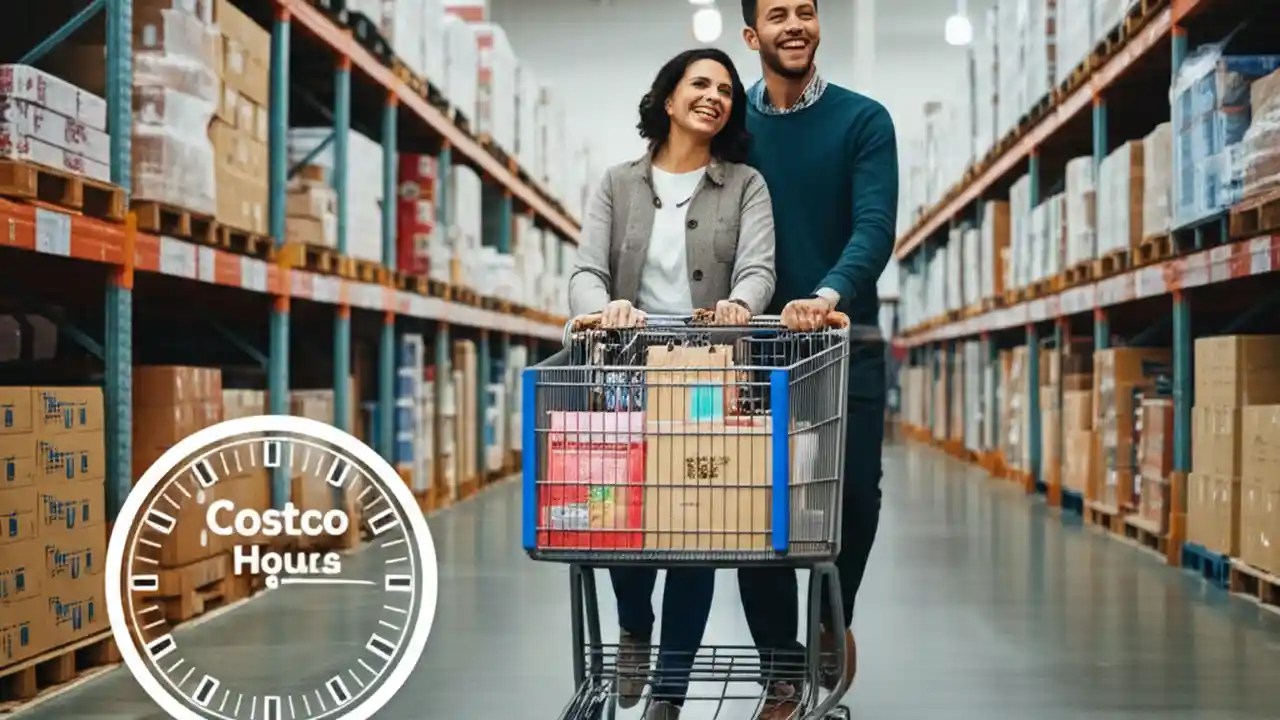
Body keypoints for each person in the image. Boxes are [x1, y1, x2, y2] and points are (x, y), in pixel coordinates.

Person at [567, 47, 777, 720]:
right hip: (626, 373)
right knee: (620, 519)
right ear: (668, 98)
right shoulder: (617, 183)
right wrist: (603, 307)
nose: (715, 96)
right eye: (700, 84)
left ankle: (670, 692)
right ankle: (635, 622)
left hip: (708, 374)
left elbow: (759, 267)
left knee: (696, 530)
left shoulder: (745, 185)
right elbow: (585, 269)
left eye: (726, 90)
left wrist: (741, 303)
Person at [733, 1, 899, 718]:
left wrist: (829, 292)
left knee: (854, 495)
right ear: (753, 35)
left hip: (840, 337)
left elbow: (874, 224)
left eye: (806, 10)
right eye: (778, 14)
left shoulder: (863, 120)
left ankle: (833, 613)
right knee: (752, 507)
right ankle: (778, 669)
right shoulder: (733, 127)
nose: (795, 25)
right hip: (753, 347)